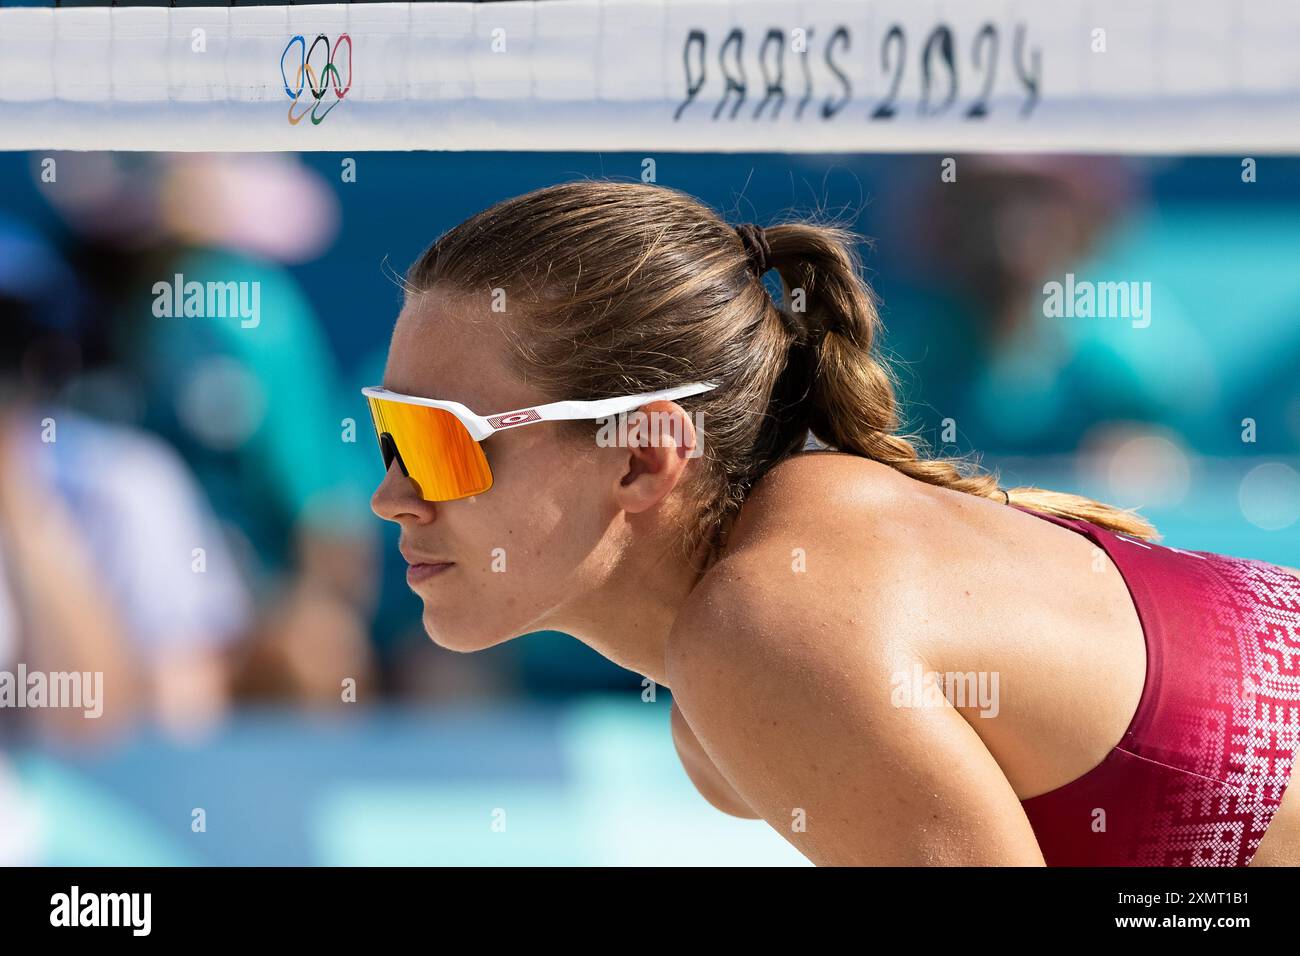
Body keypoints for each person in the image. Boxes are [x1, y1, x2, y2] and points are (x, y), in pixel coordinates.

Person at [363, 180, 1300, 866]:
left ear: (646, 457)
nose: (391, 495)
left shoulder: (768, 629)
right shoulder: (765, 628)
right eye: (387, 433)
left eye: (440, 442)